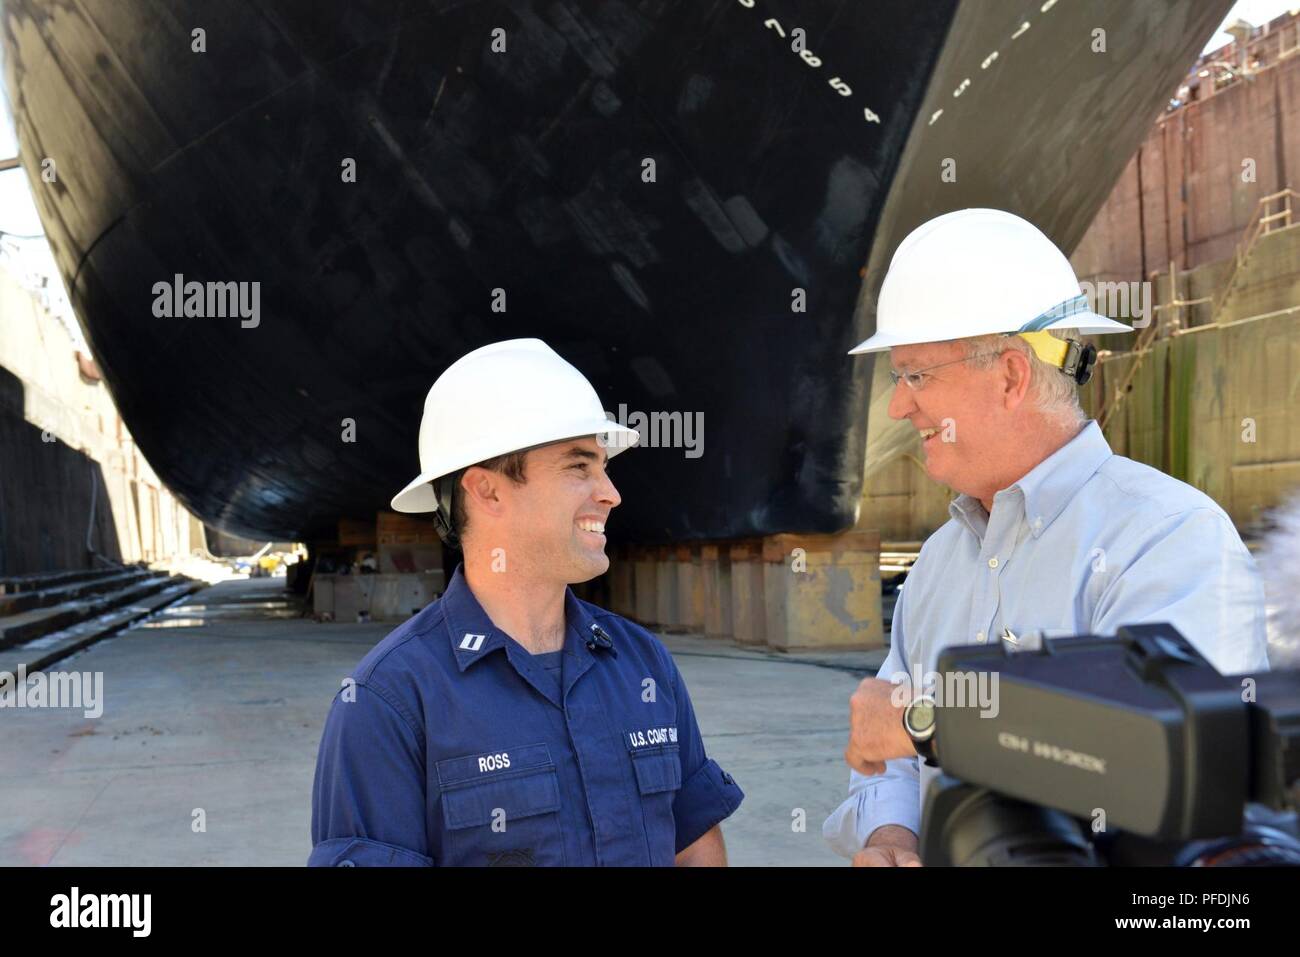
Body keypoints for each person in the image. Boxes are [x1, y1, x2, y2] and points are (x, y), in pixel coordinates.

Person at [823, 209, 1270, 866]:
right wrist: (891, 832)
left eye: (917, 374)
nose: (898, 405)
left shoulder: (1171, 539)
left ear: (1010, 375)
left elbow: (1175, 760)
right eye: (898, 376)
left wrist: (930, 722)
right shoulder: (943, 561)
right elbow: (885, 745)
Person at [309, 338, 743, 866]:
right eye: (578, 467)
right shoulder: (388, 702)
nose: (611, 493)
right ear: (487, 492)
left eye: (604, 468)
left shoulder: (642, 664)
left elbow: (695, 846)